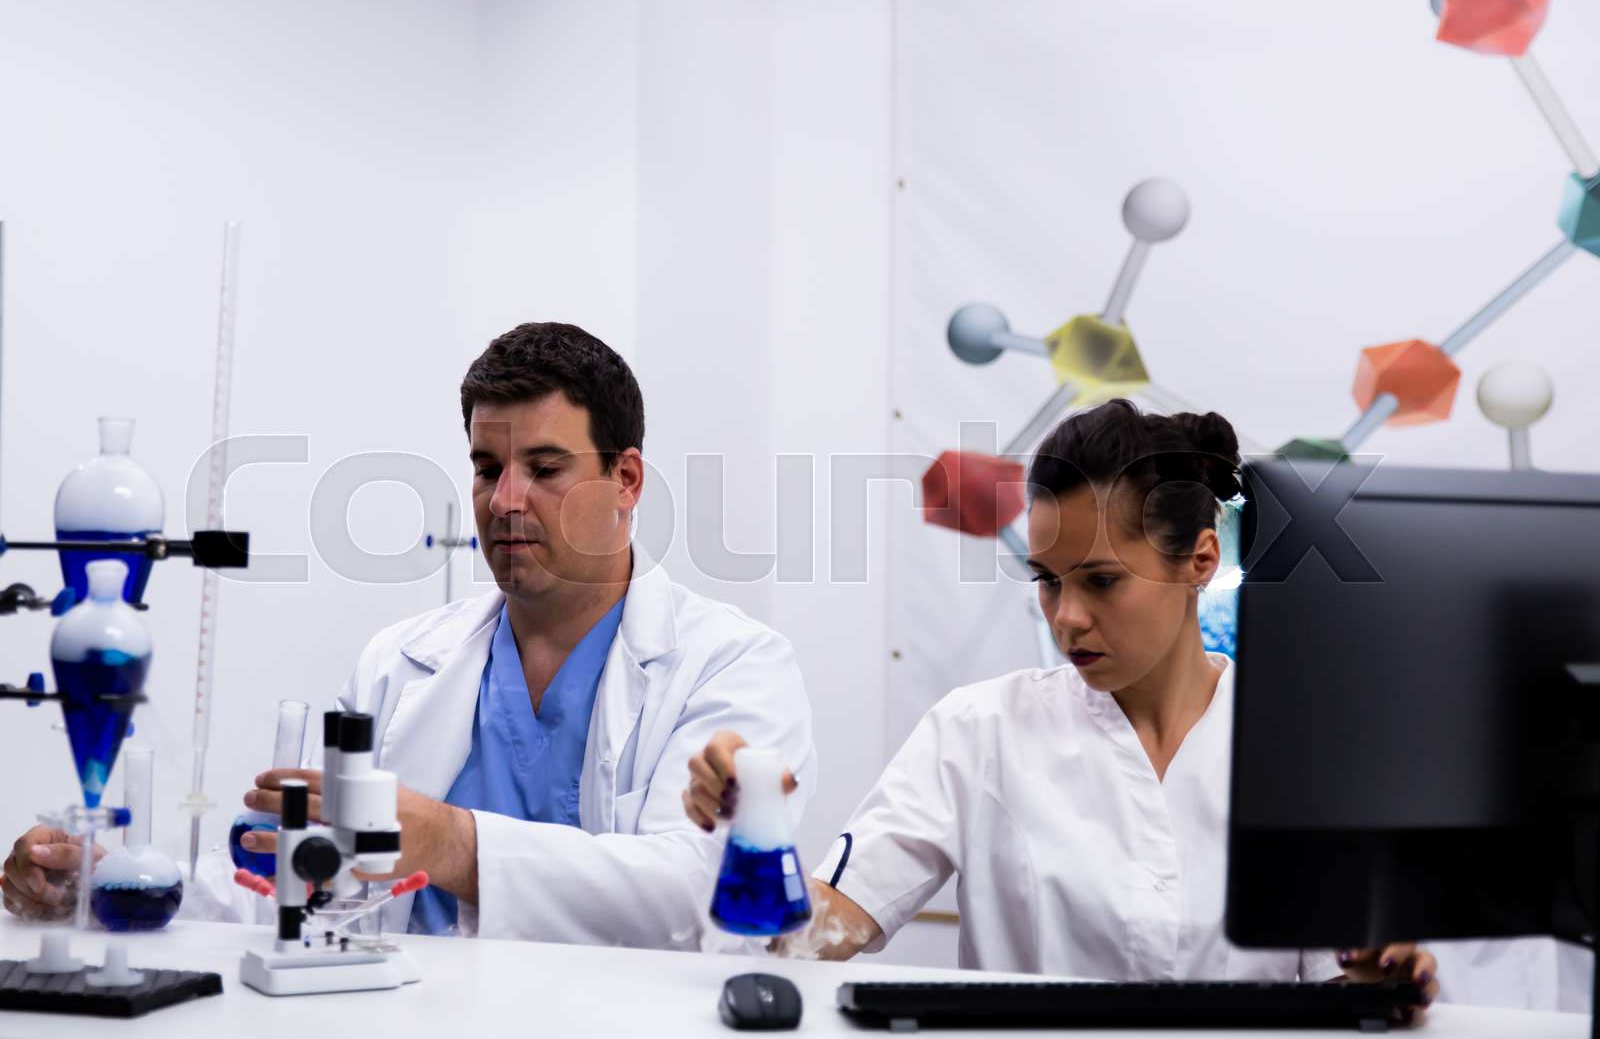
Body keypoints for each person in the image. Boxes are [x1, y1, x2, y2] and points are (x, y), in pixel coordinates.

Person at [3, 322, 815, 947]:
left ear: (626, 479)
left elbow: (700, 892)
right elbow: (294, 873)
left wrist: (455, 841)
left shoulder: (732, 666)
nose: (504, 501)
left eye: (545, 467)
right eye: (488, 468)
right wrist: (98, 885)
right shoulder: (400, 662)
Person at [682, 400, 1438, 1014]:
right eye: (1047, 580)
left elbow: (1339, 997)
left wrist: (1383, 979)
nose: (1066, 616)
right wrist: (752, 831)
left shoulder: (1301, 741)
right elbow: (815, 935)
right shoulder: (979, 732)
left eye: (1102, 580)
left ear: (1201, 561)